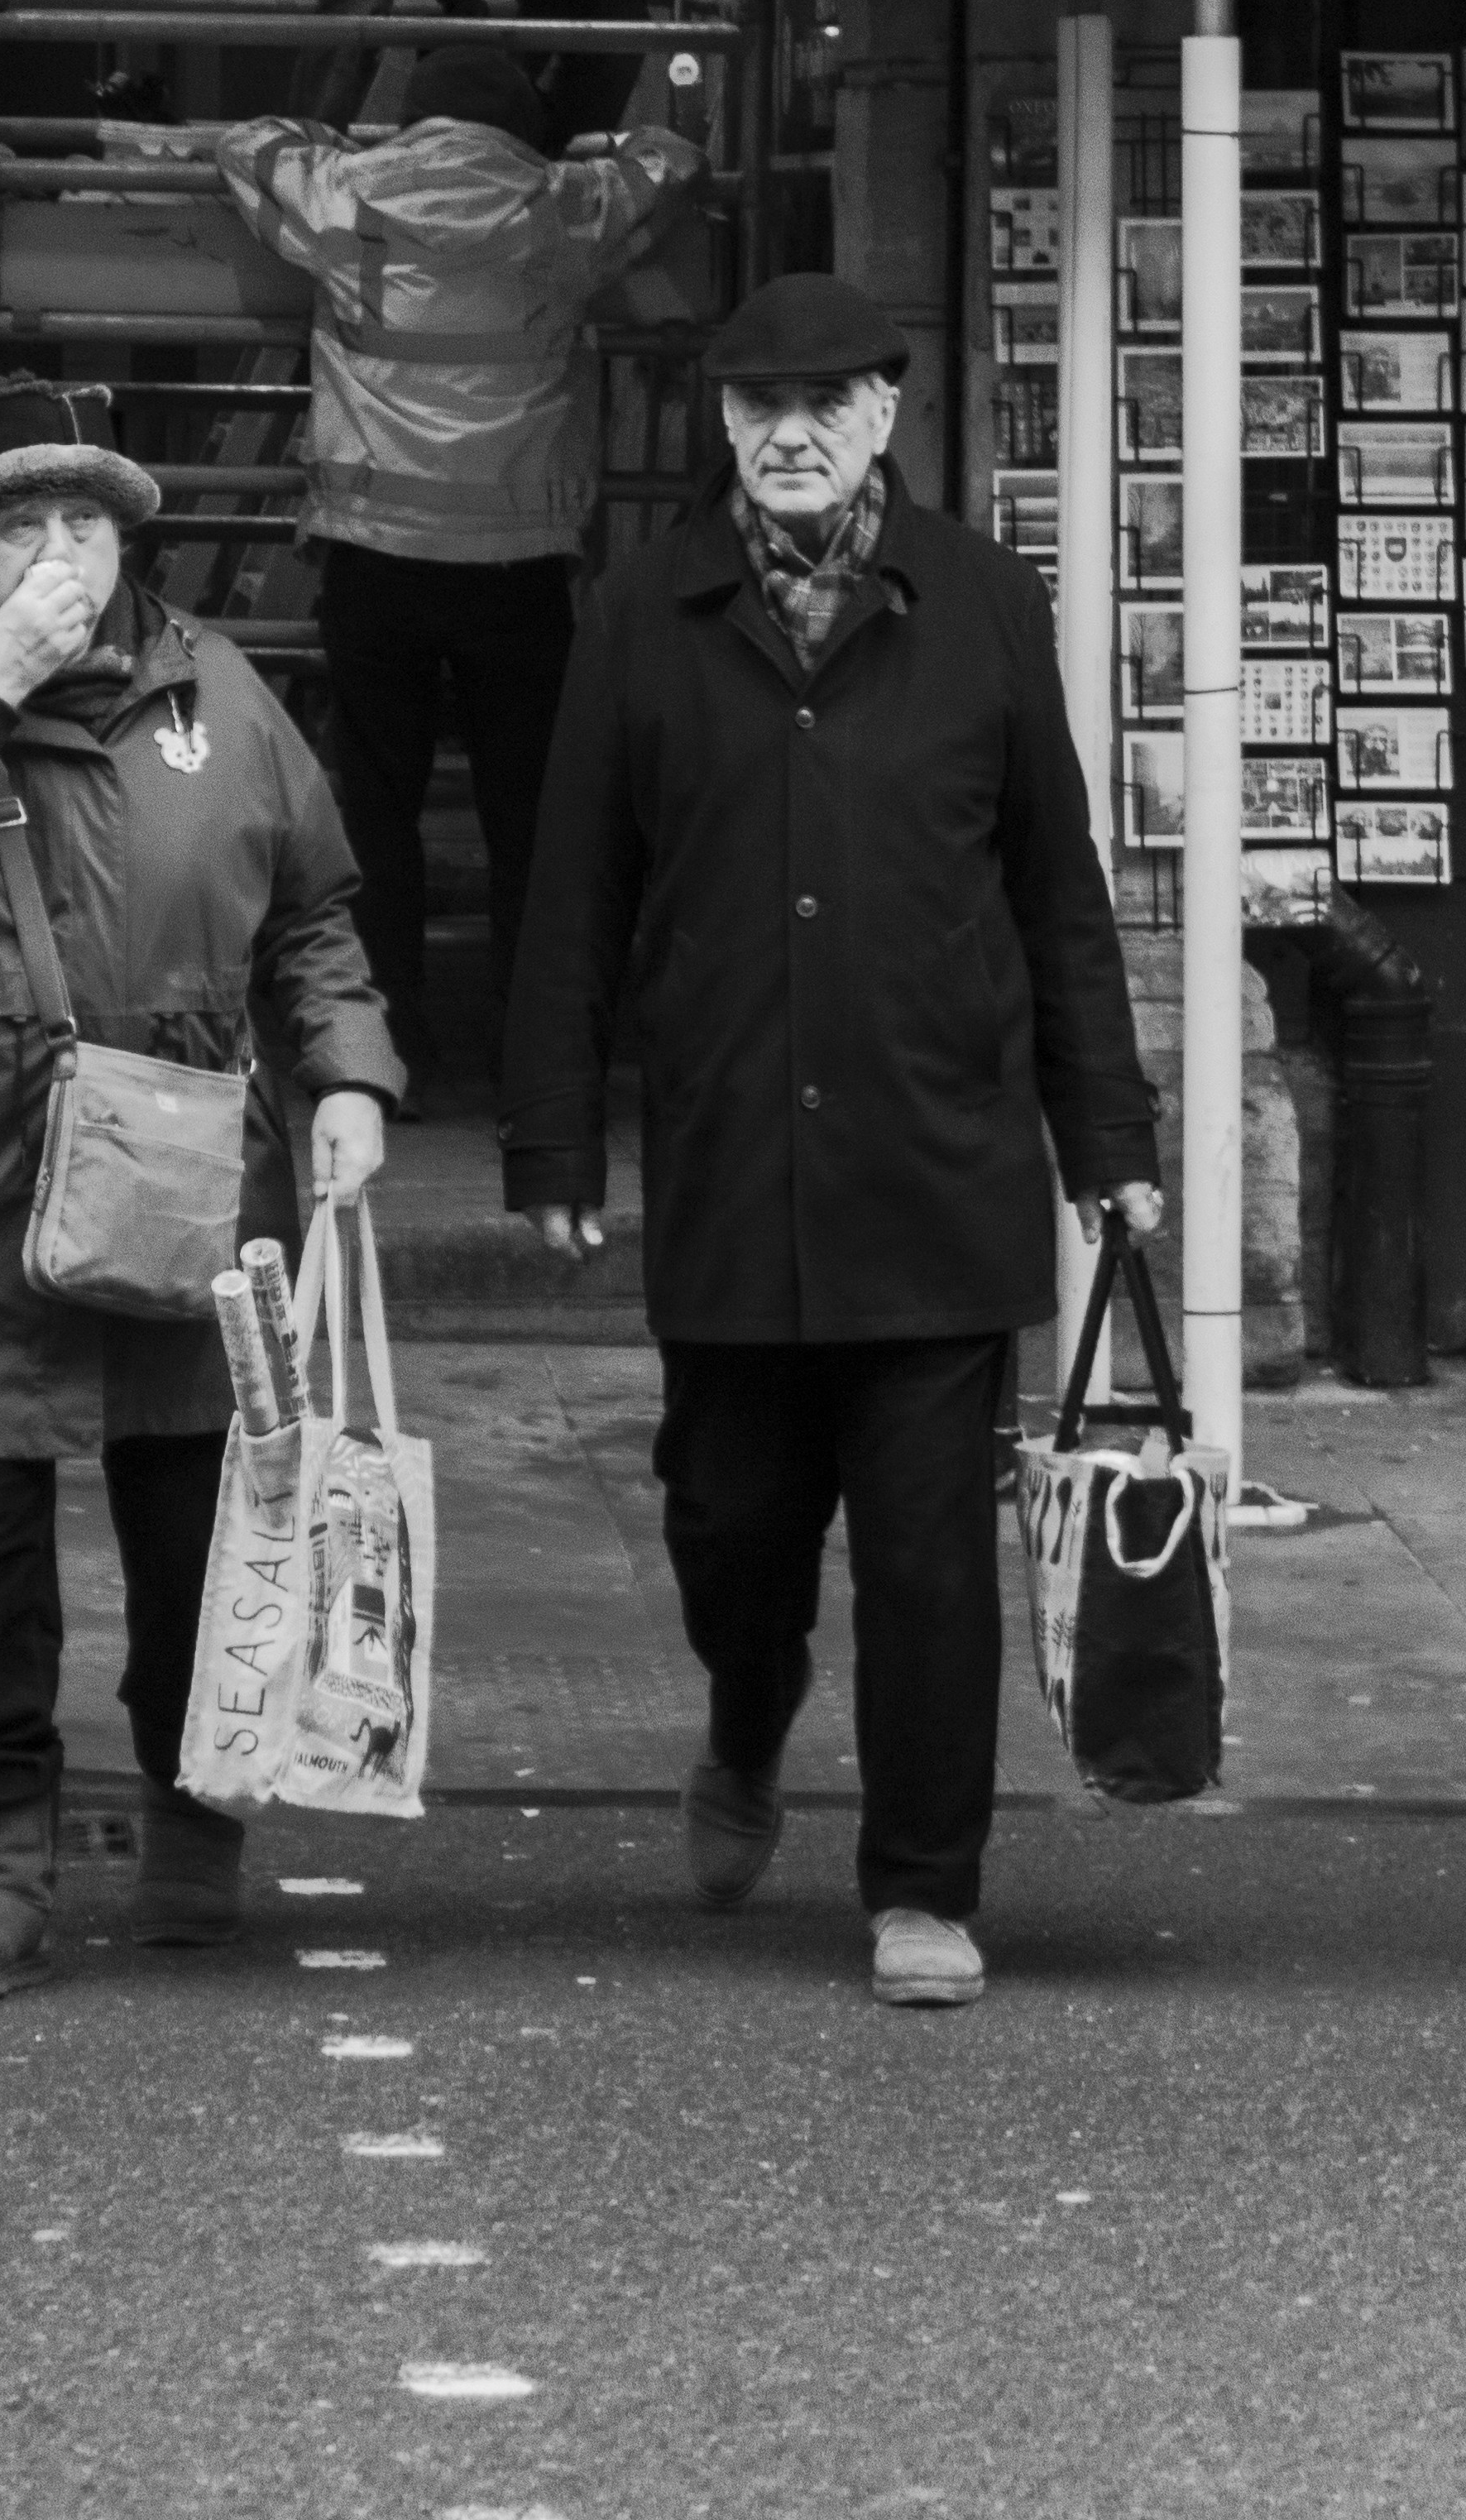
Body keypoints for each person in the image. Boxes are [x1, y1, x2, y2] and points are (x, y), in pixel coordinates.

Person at [499, 272, 1164, 2015]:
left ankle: (921, 1890)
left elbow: (1053, 896)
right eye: (750, 411)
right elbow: (570, 895)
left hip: (933, 1159)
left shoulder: (980, 604)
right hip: (730, 1160)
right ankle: (743, 1717)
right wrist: (555, 1143)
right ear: (719, 428)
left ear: (881, 415)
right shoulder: (643, 614)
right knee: (729, 1523)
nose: (784, 439)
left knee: (930, 1557)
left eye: (820, 408)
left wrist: (1107, 1134)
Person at [0, 379, 402, 2005]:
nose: (59, 551)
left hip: (192, 1164)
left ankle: (194, 1809)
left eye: (83, 519)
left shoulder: (219, 689)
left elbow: (311, 917)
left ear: (126, 537)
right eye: (21, 524)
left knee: (195, 1519)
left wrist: (346, 1074)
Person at [217, 0, 697, 1100]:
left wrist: (332, 133)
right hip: (516, 572)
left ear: (418, 111)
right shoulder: (563, 208)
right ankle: (538, 1054)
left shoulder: (346, 196)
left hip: (373, 561)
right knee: (527, 808)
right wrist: (587, 154)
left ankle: (391, 1046)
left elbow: (248, 146)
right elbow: (673, 163)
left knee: (372, 808)